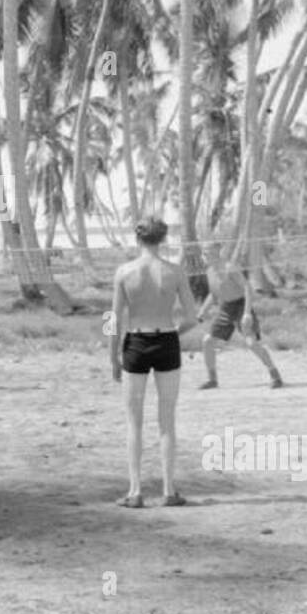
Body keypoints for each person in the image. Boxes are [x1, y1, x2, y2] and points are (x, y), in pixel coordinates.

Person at [110, 217, 199, 508]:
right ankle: (169, 490)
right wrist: (173, 335)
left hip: (136, 342)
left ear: (138, 239)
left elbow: (114, 320)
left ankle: (135, 491)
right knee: (167, 419)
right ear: (162, 239)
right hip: (166, 341)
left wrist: (113, 355)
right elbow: (191, 318)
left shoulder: (125, 272)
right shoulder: (174, 271)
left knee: (133, 421)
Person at [197, 240, 283, 390]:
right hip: (226, 308)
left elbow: (247, 288)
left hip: (241, 305)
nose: (204, 255)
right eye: (203, 252)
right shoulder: (210, 271)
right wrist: (202, 311)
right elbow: (214, 293)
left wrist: (247, 313)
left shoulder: (230, 267)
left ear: (216, 251)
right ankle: (212, 379)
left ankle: (275, 375)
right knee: (207, 341)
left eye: (206, 251)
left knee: (251, 343)